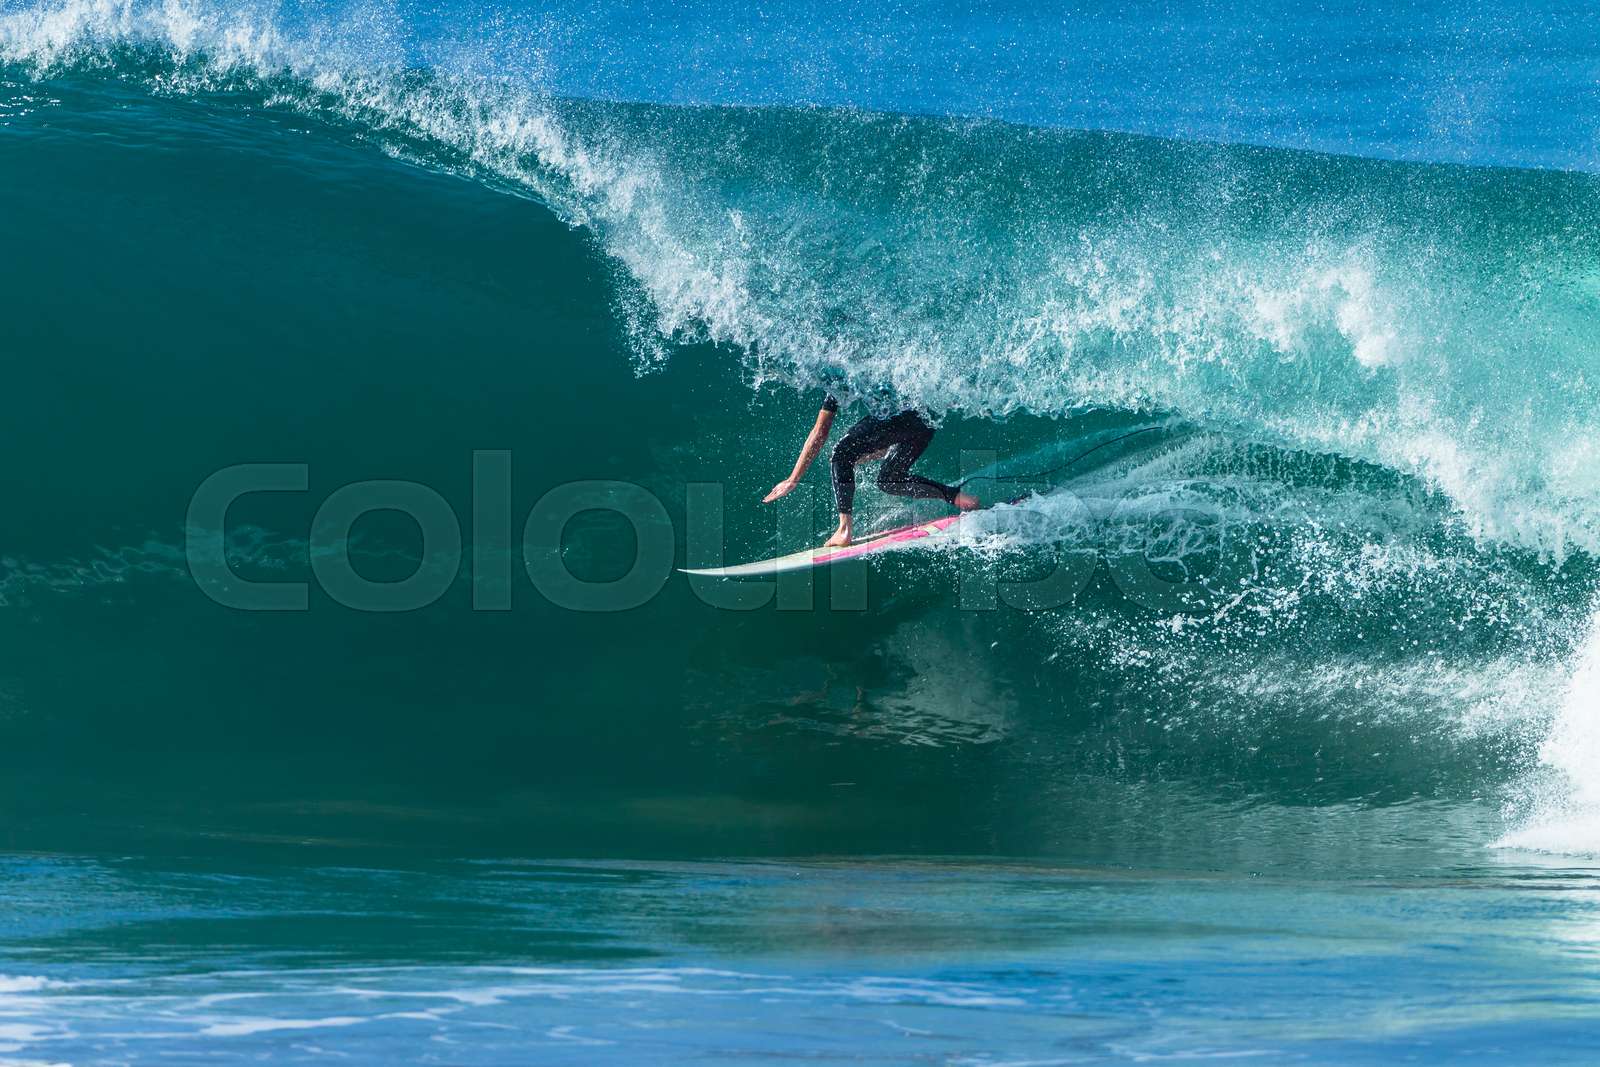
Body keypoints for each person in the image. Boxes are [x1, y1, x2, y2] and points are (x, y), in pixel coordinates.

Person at [764, 393, 979, 546]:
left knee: (841, 454)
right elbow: (894, 418)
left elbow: (820, 431)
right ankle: (962, 499)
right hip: (926, 418)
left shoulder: (837, 376)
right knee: (889, 480)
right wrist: (874, 450)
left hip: (905, 418)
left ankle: (844, 530)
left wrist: (793, 479)